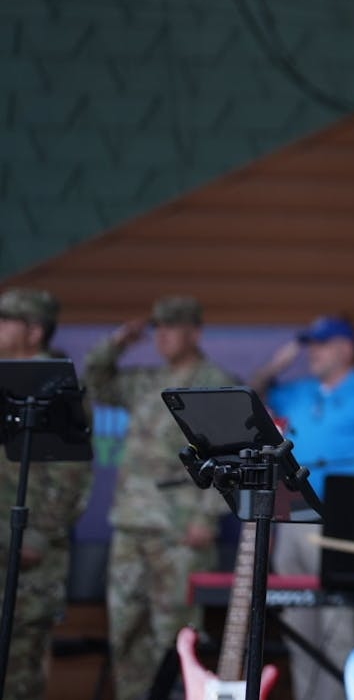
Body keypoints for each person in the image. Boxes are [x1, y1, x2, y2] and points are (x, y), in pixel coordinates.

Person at [82, 295, 233, 700]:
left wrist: (209, 516)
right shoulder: (146, 380)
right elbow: (95, 382)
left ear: (194, 332)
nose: (161, 336)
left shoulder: (215, 383)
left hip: (179, 529)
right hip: (131, 523)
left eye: (171, 327)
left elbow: (231, 456)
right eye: (157, 329)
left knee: (179, 635)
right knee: (127, 630)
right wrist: (118, 342)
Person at [251, 313, 354, 700]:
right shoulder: (297, 391)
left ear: (345, 349)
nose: (311, 352)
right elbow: (250, 397)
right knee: (299, 627)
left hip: (338, 524)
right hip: (291, 518)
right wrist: (275, 365)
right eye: (309, 344)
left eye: (321, 344)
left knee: (338, 627)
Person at [0, 287, 93, 700]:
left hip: (26, 549)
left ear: (34, 331)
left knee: (18, 669)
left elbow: (72, 474)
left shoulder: (54, 383)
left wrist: (40, 533)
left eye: (6, 321)